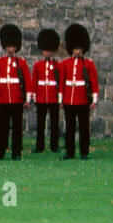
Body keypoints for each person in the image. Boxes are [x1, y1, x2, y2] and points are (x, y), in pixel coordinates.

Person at [0, 23, 30, 160]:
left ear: (16, 47)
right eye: (8, 46)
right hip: (2, 99)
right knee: (2, 128)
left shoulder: (21, 62)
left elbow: (27, 81)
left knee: (17, 129)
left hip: (17, 99)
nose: (10, 49)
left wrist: (27, 99)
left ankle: (16, 153)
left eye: (12, 46)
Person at [60, 23, 98, 160]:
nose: (76, 50)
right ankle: (70, 152)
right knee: (69, 128)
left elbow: (93, 82)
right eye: (74, 47)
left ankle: (84, 152)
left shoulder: (88, 64)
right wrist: (61, 99)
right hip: (69, 99)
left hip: (82, 99)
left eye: (79, 47)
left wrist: (94, 99)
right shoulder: (65, 63)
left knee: (84, 128)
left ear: (83, 48)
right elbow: (62, 82)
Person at [31, 28, 62, 154]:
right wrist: (32, 97)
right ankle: (40, 146)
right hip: (41, 97)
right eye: (45, 50)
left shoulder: (58, 66)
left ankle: (54, 146)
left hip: (53, 97)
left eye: (48, 50)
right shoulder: (38, 65)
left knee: (54, 124)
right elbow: (34, 82)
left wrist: (60, 98)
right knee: (40, 124)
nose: (46, 53)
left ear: (52, 51)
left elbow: (60, 82)